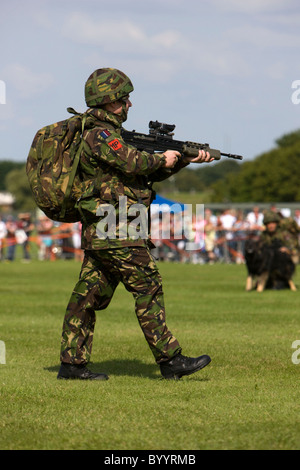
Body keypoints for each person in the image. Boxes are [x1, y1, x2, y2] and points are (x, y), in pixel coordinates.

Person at [57, 68, 214, 381]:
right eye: (125, 99)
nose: (129, 104)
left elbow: (142, 173)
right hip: (117, 226)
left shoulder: (108, 133)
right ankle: (171, 360)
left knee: (87, 295)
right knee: (148, 286)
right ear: (110, 100)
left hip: (110, 226)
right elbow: (135, 162)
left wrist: (182, 158)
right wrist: (164, 158)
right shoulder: (100, 134)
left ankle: (72, 365)